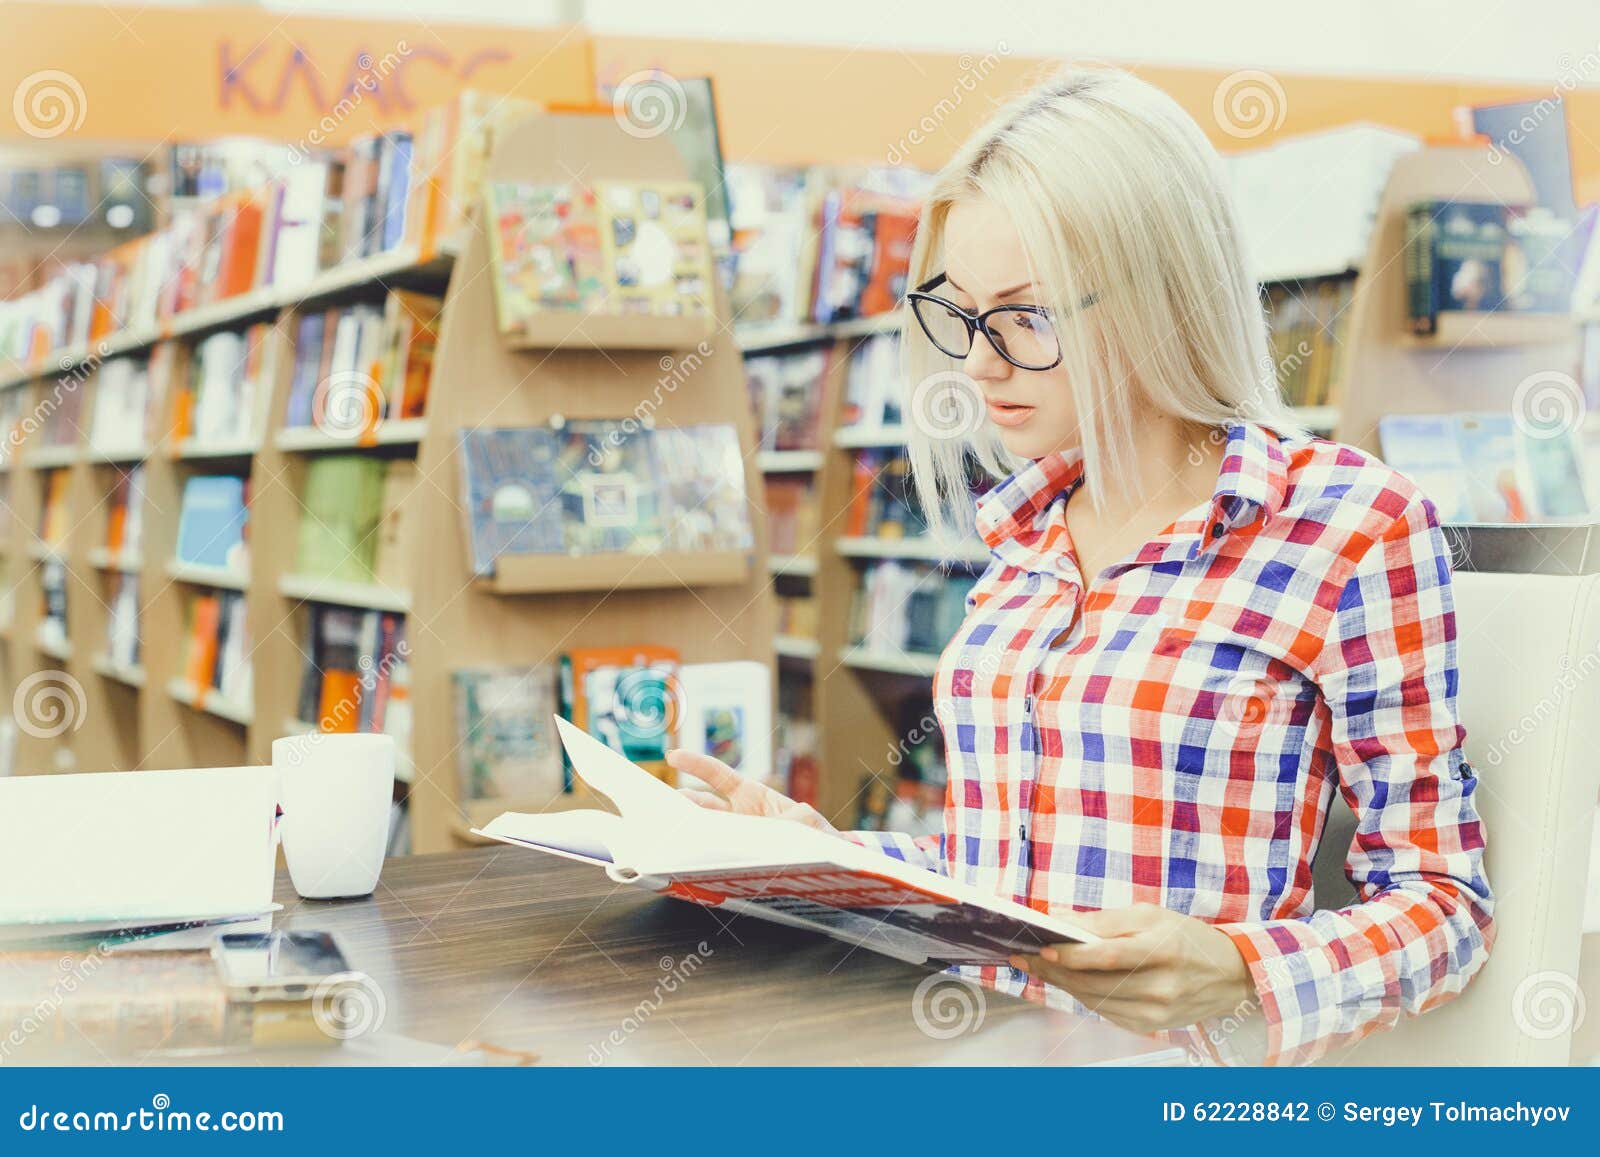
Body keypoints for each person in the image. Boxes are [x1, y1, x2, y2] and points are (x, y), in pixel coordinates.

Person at [668, 67, 1493, 1066]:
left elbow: (1444, 906)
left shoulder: (1349, 527)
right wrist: (820, 857)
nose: (976, 364)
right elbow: (1005, 881)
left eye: (1026, 315)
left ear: (1162, 294)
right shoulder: (1024, 535)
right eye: (960, 311)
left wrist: (1240, 967)